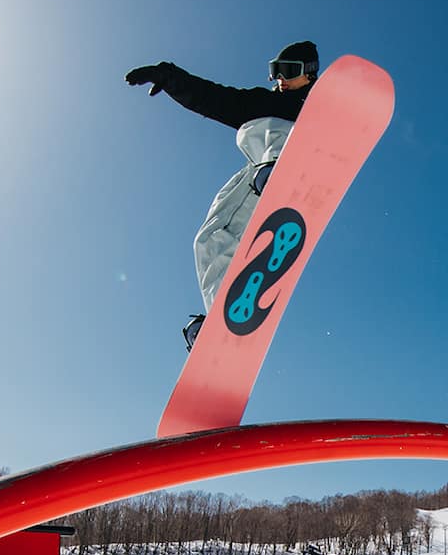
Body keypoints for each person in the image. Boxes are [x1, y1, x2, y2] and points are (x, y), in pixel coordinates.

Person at [125, 41, 320, 351]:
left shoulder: (320, 106)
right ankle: (224, 323)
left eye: (288, 71)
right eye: (275, 72)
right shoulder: (262, 101)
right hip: (260, 175)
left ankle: (281, 172)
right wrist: (170, 77)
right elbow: (214, 98)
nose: (280, 80)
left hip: (295, 161)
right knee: (209, 237)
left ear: (309, 74)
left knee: (263, 129)